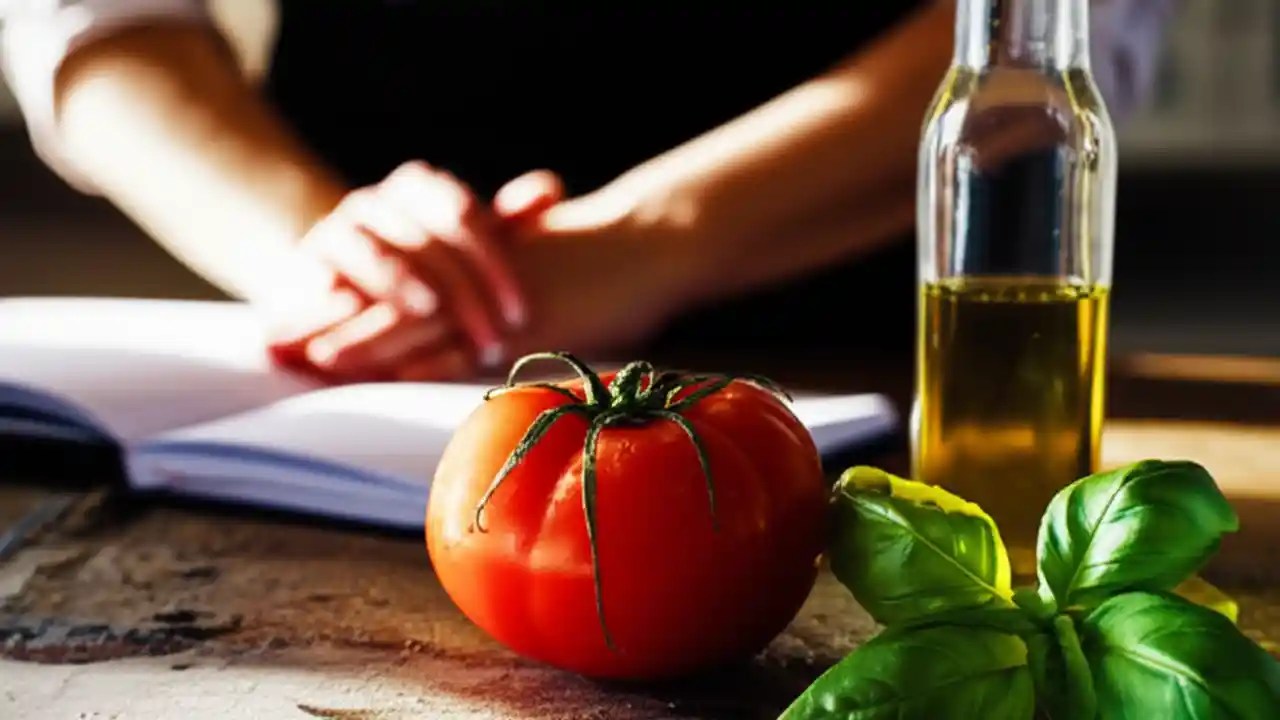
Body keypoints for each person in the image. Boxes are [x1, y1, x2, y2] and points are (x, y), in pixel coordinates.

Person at [1, 1, 1174, 381]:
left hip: (853, 366)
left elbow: (1067, 22)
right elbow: (93, 16)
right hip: (376, 367)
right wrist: (325, 255)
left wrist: (652, 239)